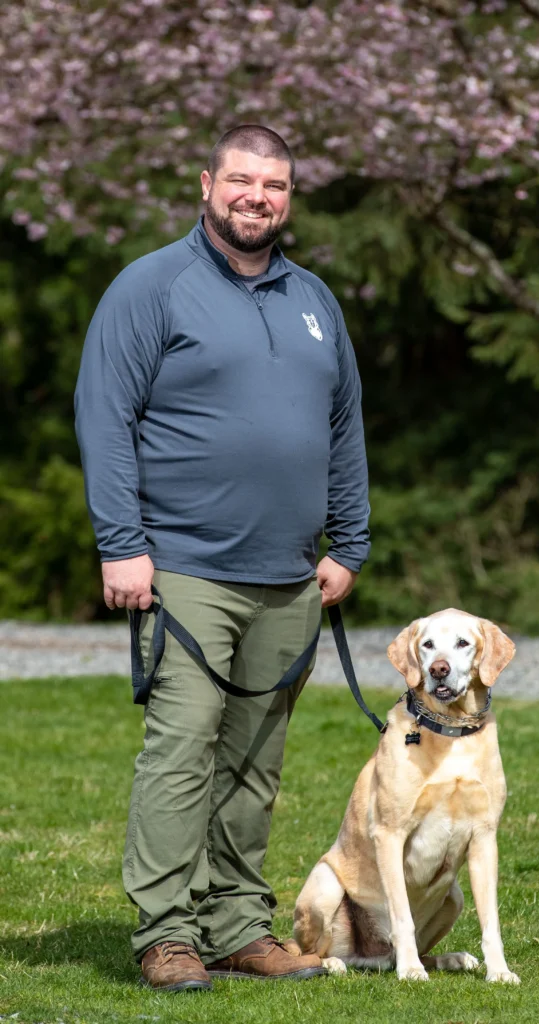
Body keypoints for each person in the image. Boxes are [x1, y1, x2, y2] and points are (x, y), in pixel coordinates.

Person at [74, 125, 370, 992]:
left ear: (289, 198)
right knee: (181, 752)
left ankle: (238, 924)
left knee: (253, 760)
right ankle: (166, 935)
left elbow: (343, 425)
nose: (257, 198)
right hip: (184, 570)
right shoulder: (151, 286)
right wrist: (121, 545)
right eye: (241, 181)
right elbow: (105, 418)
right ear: (208, 184)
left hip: (289, 574)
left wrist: (348, 542)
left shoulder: (314, 297)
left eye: (274, 186)